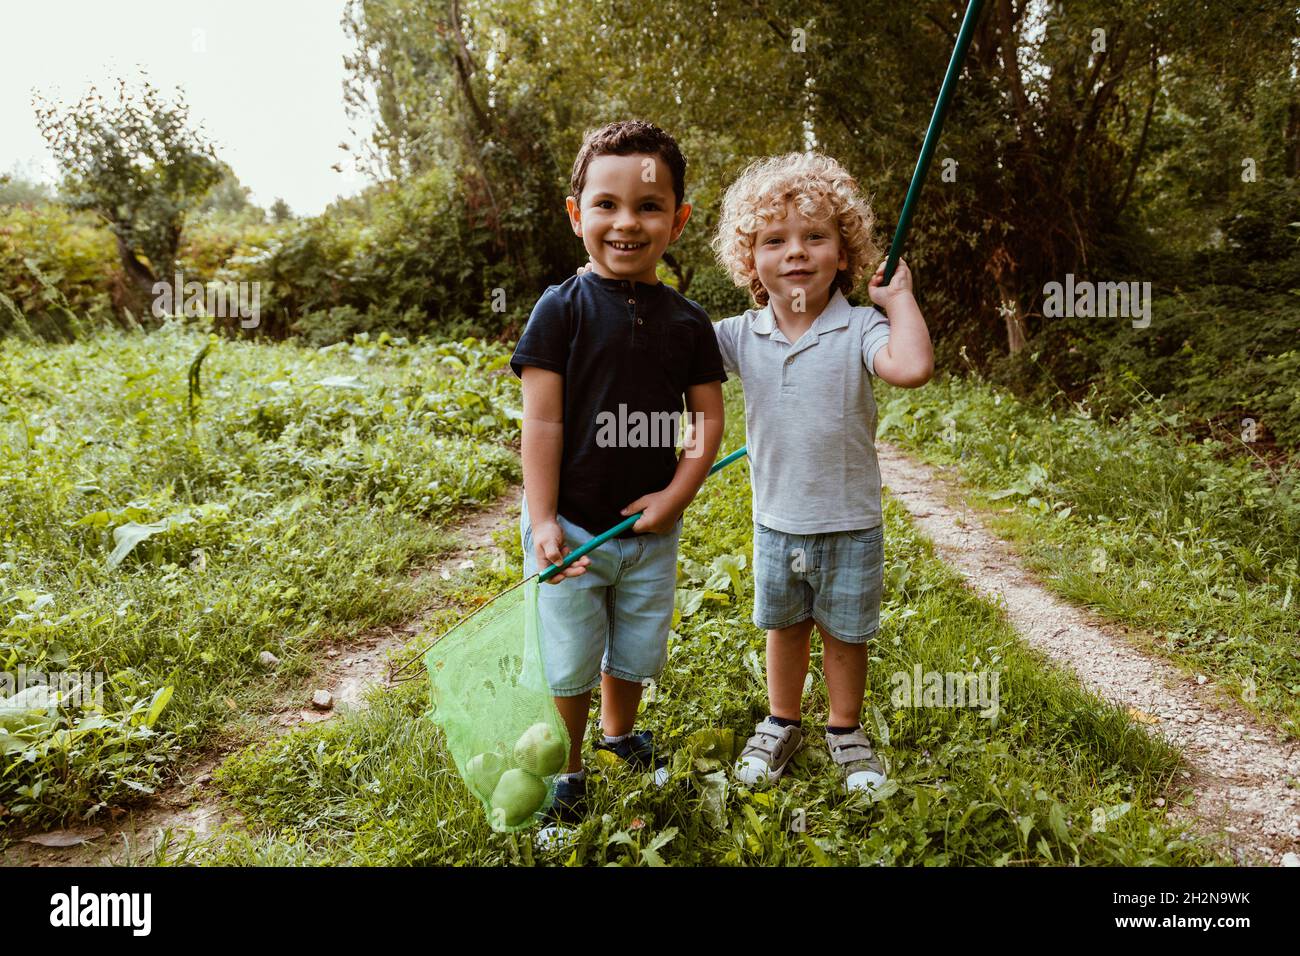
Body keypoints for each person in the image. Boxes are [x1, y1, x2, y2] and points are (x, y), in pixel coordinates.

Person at [510, 120, 726, 824]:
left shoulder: (689, 323)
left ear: (679, 219)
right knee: (571, 658)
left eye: (649, 205)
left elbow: (708, 424)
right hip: (571, 527)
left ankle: (618, 734)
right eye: (606, 204)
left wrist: (675, 495)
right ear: (576, 215)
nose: (626, 222)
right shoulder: (560, 310)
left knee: (634, 648)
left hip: (648, 529)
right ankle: (567, 770)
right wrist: (544, 521)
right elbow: (541, 423)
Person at [710, 151, 934, 793]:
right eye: (774, 241)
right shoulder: (739, 334)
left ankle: (844, 727)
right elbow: (671, 351)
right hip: (777, 522)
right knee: (784, 627)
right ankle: (782, 720)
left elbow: (912, 367)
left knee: (845, 632)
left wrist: (900, 300)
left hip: (850, 521)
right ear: (750, 261)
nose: (796, 252)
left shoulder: (862, 327)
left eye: (815, 236)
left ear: (844, 252)